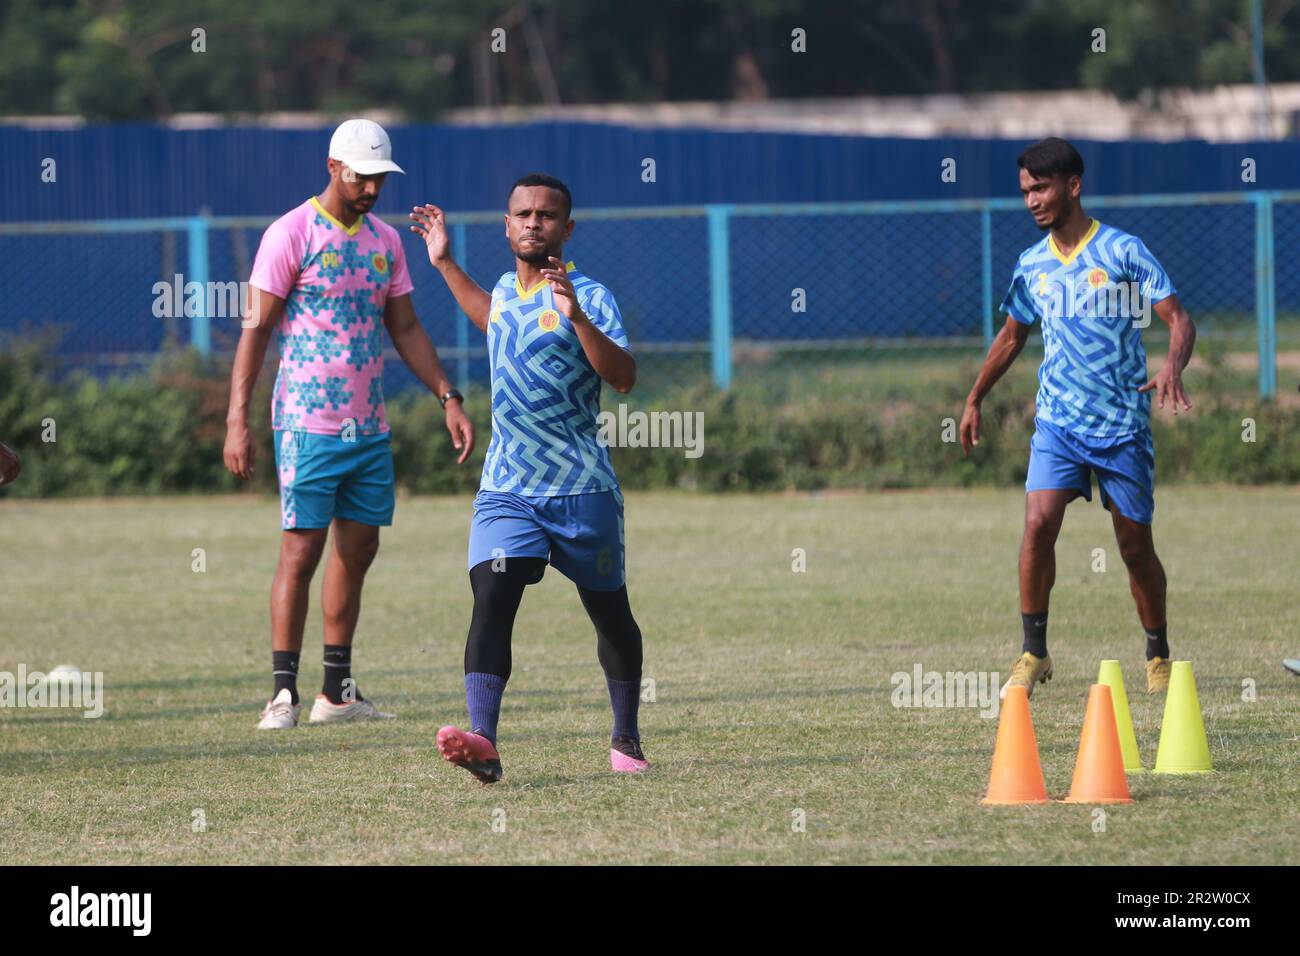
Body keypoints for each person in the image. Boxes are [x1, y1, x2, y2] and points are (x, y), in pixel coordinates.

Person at [224, 118, 473, 729]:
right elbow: (255, 329)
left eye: (380, 178)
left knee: (359, 549)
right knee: (301, 551)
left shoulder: (386, 241)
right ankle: (283, 692)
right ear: (333, 167)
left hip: (369, 426)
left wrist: (448, 395)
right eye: (363, 176)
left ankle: (336, 691)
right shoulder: (291, 233)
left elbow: (406, 329)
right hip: (307, 424)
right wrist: (239, 420)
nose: (372, 189)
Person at [409, 173, 647, 782]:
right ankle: (482, 740)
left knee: (610, 615)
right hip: (507, 487)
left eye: (546, 215)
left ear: (567, 230)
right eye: (522, 213)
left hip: (581, 489)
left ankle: (626, 738)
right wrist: (442, 263)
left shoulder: (588, 294)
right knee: (491, 597)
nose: (533, 222)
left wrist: (578, 320)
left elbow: (623, 378)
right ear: (507, 224)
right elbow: (493, 319)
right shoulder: (502, 292)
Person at [960, 137, 1196, 698]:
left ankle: (1157, 652)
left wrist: (1172, 366)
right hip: (1059, 425)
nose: (1032, 201)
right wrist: (975, 397)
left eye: (1041, 188)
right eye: (1025, 192)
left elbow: (1179, 319)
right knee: (1038, 524)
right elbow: (1013, 335)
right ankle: (1033, 651)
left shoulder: (1122, 251)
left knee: (1135, 546)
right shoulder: (1033, 263)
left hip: (1121, 428)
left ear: (1073, 185)